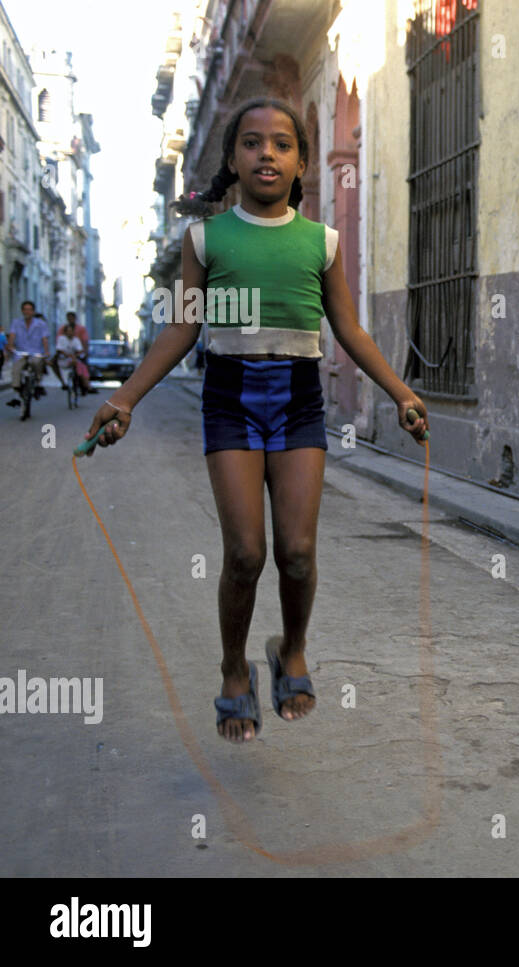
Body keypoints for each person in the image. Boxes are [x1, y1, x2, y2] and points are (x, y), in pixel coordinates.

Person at [84, 96, 429, 743]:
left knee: (297, 552)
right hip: (231, 396)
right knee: (245, 553)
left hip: (298, 398)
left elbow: (348, 329)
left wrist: (400, 392)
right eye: (251, 142)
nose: (265, 152)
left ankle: (291, 648)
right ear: (233, 160)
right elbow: (182, 328)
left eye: (281, 143)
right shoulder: (205, 238)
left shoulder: (320, 242)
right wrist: (124, 397)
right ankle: (232, 668)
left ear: (301, 162)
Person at [8, 301, 50, 405]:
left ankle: (38, 383)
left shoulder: (40, 324)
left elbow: (44, 339)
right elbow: (12, 335)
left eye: (29, 309)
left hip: (35, 352)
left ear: (33, 311)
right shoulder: (16, 322)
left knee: (37, 363)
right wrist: (10, 346)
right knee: (16, 370)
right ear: (22, 311)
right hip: (21, 352)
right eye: (25, 309)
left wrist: (46, 351)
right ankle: (17, 393)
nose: (27, 312)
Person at [55, 319, 91, 395]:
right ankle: (64, 382)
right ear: (65, 332)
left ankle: (83, 383)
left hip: (73, 359)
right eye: (68, 331)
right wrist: (68, 355)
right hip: (63, 359)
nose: (70, 333)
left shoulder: (76, 340)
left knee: (82, 365)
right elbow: (59, 349)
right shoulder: (62, 339)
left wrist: (75, 355)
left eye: (71, 331)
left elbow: (80, 350)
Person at [67, 312, 97, 393]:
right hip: (67, 354)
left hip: (79, 352)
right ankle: (64, 383)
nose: (70, 320)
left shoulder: (81, 329)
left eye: (71, 318)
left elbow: (85, 341)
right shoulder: (64, 328)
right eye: (68, 318)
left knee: (83, 366)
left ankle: (85, 384)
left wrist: (84, 352)